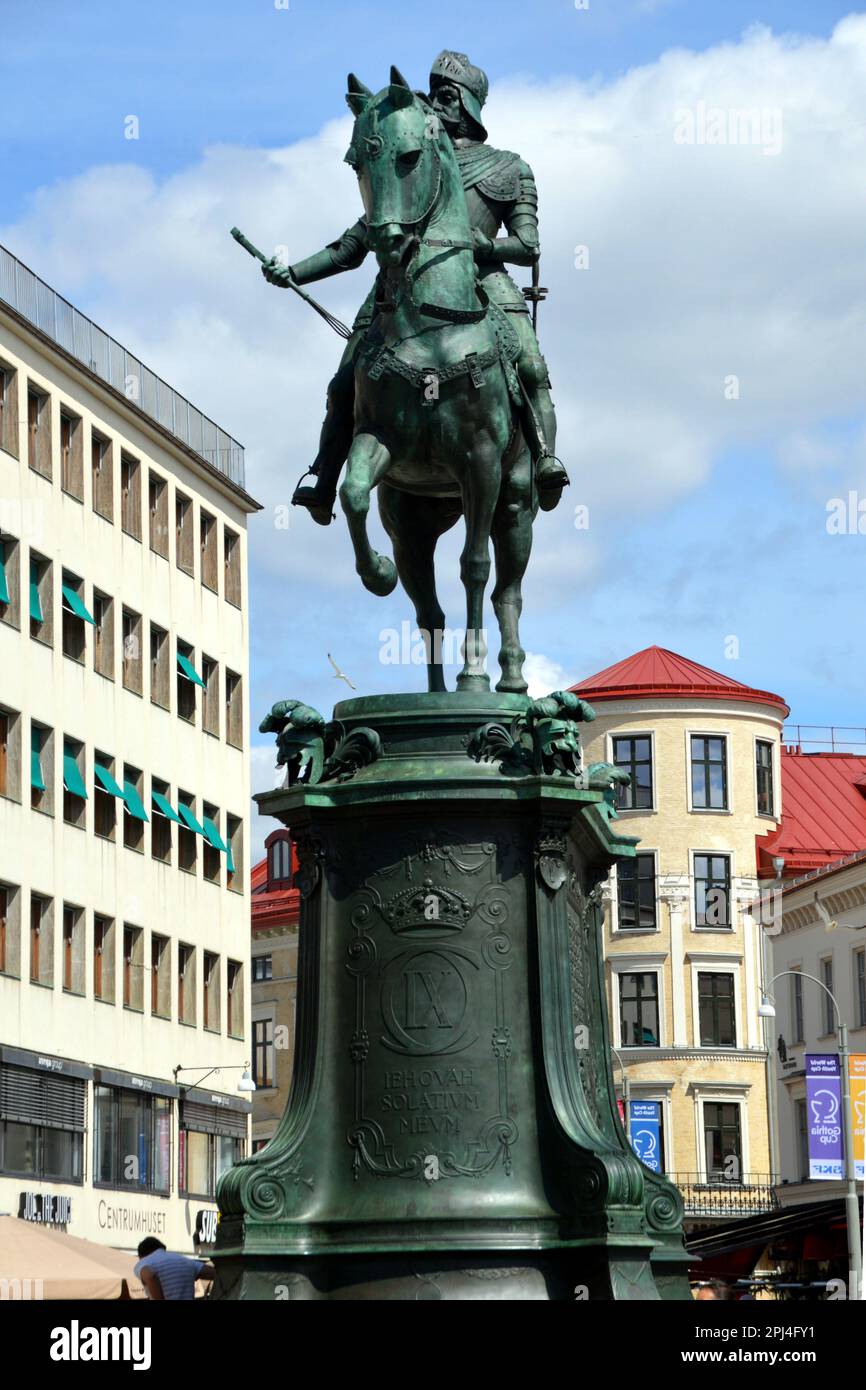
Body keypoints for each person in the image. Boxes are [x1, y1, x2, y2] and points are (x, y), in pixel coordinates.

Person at [265, 50, 569, 525]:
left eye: (448, 96)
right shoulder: (410, 165)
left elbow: (528, 246)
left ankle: (545, 459)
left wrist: (481, 244)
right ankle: (325, 475)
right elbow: (352, 245)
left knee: (529, 365)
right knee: (345, 380)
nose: (437, 104)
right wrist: (293, 273)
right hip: (399, 287)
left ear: (470, 104)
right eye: (434, 96)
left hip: (485, 285)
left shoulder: (509, 167)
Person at [134, 1237, 215, 1301]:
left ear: (141, 1256)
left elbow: (149, 1275)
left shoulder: (145, 1262)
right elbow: (215, 1273)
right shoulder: (185, 1261)